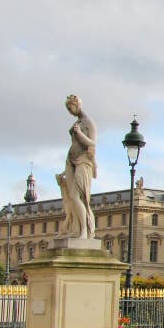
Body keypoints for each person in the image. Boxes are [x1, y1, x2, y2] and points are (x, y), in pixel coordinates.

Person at [59, 94, 97, 239]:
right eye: (68, 109)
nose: (70, 112)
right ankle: (75, 230)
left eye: (71, 108)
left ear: (78, 105)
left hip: (83, 160)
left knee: (77, 197)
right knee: (70, 197)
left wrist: (79, 133)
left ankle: (84, 232)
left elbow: (92, 144)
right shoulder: (79, 122)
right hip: (70, 160)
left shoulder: (89, 123)